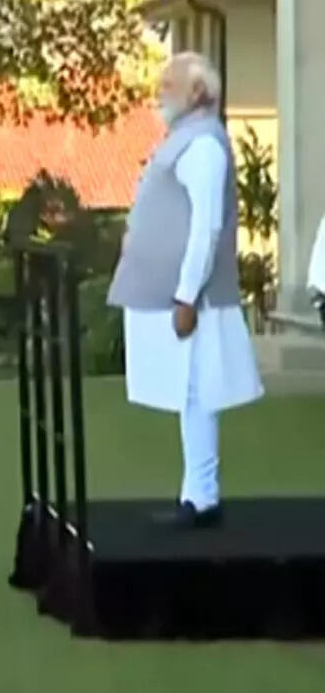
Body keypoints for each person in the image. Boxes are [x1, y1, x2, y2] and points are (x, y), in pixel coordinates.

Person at [106, 51, 264, 529]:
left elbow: (206, 229)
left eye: (168, 86)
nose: (159, 95)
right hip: (168, 291)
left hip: (186, 295)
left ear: (196, 93)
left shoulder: (203, 147)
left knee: (196, 391)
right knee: (188, 391)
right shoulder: (183, 141)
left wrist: (186, 296)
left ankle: (201, 496)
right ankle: (195, 494)